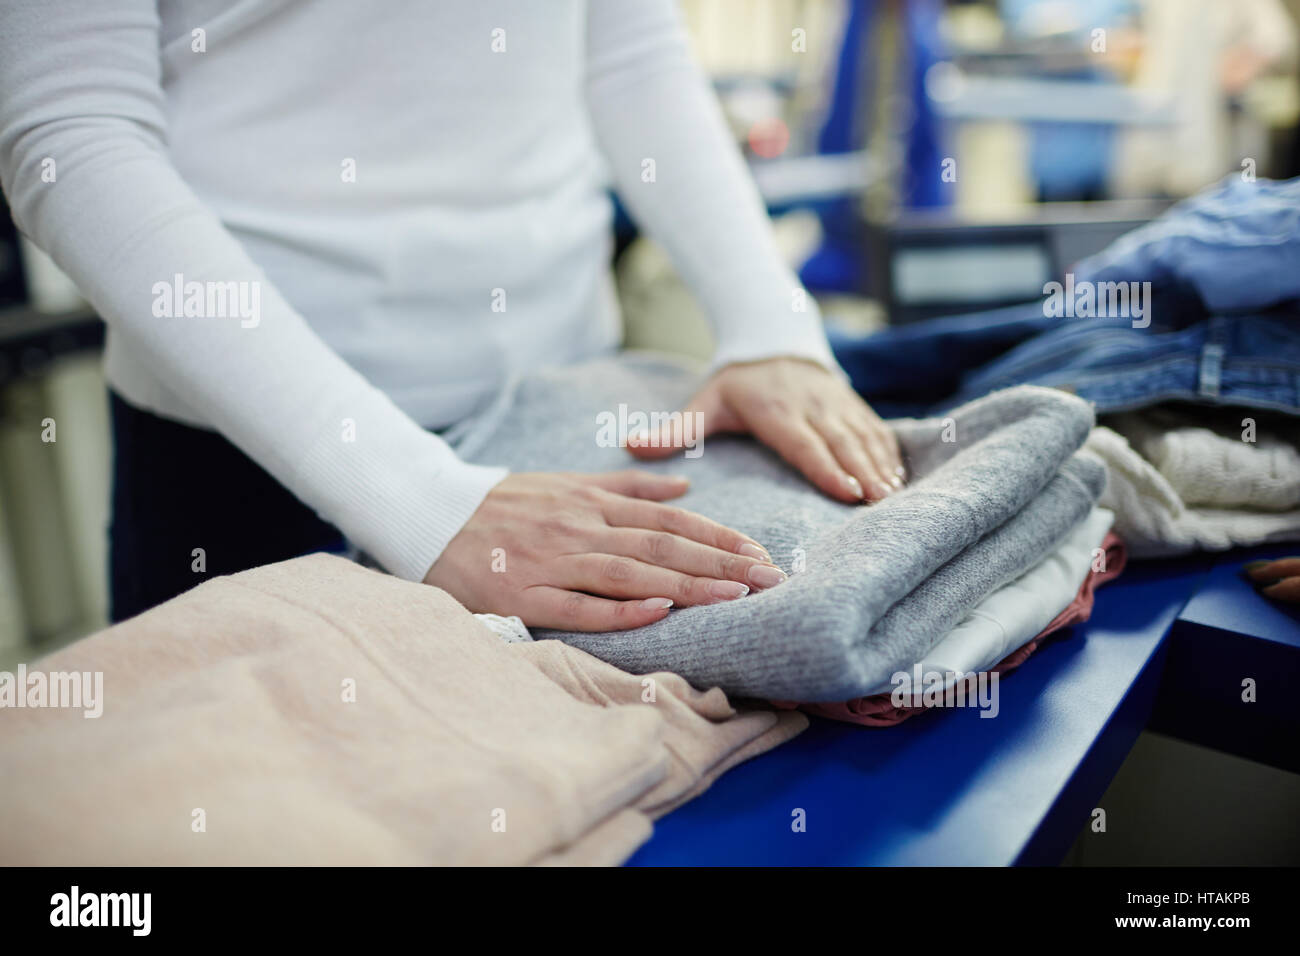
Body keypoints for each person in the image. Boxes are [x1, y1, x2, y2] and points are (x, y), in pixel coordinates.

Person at [0, 0, 904, 630]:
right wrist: (420, 503)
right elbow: (70, 129)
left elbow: (629, 47)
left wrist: (771, 327)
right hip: (243, 458)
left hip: (565, 421)